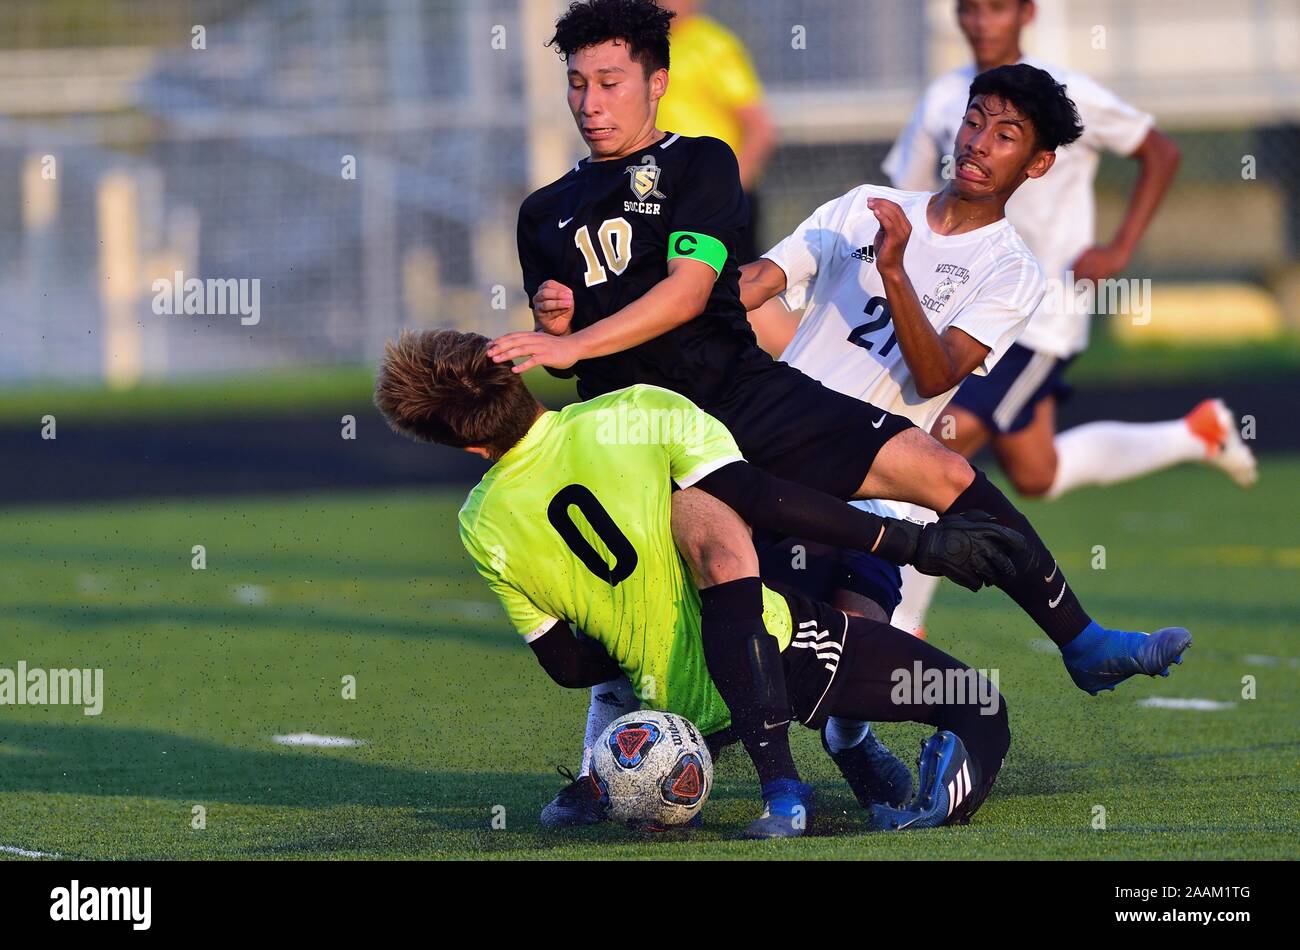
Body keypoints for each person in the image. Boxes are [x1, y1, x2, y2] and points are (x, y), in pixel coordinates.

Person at [491, 0, 1190, 828]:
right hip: (734, 430)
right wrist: (566, 322)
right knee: (720, 618)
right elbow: (754, 280)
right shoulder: (859, 203)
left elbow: (933, 374)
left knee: (925, 508)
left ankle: (1075, 640)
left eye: (1004, 135)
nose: (976, 142)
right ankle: (657, 773)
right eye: (975, 122)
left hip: (819, 441)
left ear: (1035, 165)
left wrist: (892, 269)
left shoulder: (1010, 268)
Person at [374, 328, 1021, 835]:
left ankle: (606, 775)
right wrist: (916, 541)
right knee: (978, 704)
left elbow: (569, 665)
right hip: (785, 644)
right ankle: (810, 778)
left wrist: (640, 635)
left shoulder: (480, 523)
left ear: (463, 447)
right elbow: (763, 500)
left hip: (672, 705)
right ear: (515, 367)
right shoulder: (633, 411)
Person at [881, 0, 1257, 638]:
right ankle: (1196, 434)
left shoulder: (1066, 94)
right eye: (969, 10)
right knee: (1036, 473)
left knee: (934, 447)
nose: (981, 22)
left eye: (996, 9)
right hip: (961, 313)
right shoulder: (945, 97)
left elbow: (1159, 152)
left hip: (1038, 317)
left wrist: (1119, 248)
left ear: (1025, 14)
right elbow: (903, 194)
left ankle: (901, 625)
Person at [655, 0, 776, 264]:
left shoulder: (713, 46)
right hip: (662, 195)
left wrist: (728, 190)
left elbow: (759, 129)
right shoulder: (638, 44)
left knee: (741, 287)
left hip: (712, 193)